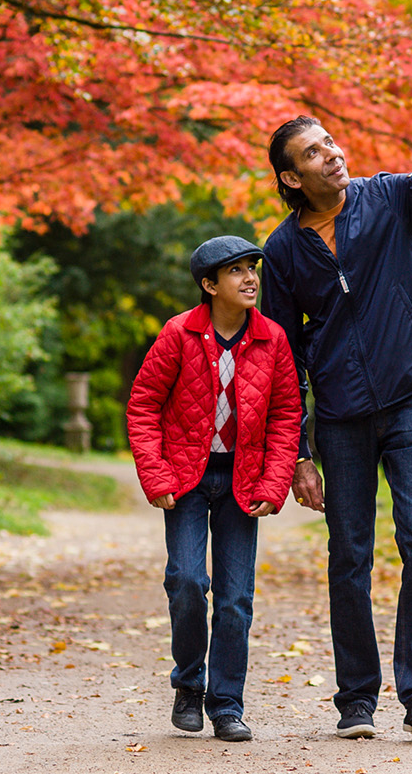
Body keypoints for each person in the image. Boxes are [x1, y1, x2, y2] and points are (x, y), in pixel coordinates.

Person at [260, 35, 412, 738]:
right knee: (349, 556)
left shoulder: (389, 199)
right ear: (292, 177)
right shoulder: (281, 251)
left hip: (411, 395)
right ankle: (357, 701)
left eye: (331, 142)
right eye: (314, 152)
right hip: (341, 417)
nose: (332, 153)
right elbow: (282, 357)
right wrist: (299, 454)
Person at [126, 235, 302, 743]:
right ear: (209, 285)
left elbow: (286, 414)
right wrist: (156, 475)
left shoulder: (272, 338)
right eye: (236, 271)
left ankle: (227, 705)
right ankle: (188, 685)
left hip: (243, 482)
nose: (250, 279)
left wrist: (274, 481)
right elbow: (143, 404)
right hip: (186, 478)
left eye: (253, 269)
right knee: (186, 582)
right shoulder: (178, 333)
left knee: (234, 599)